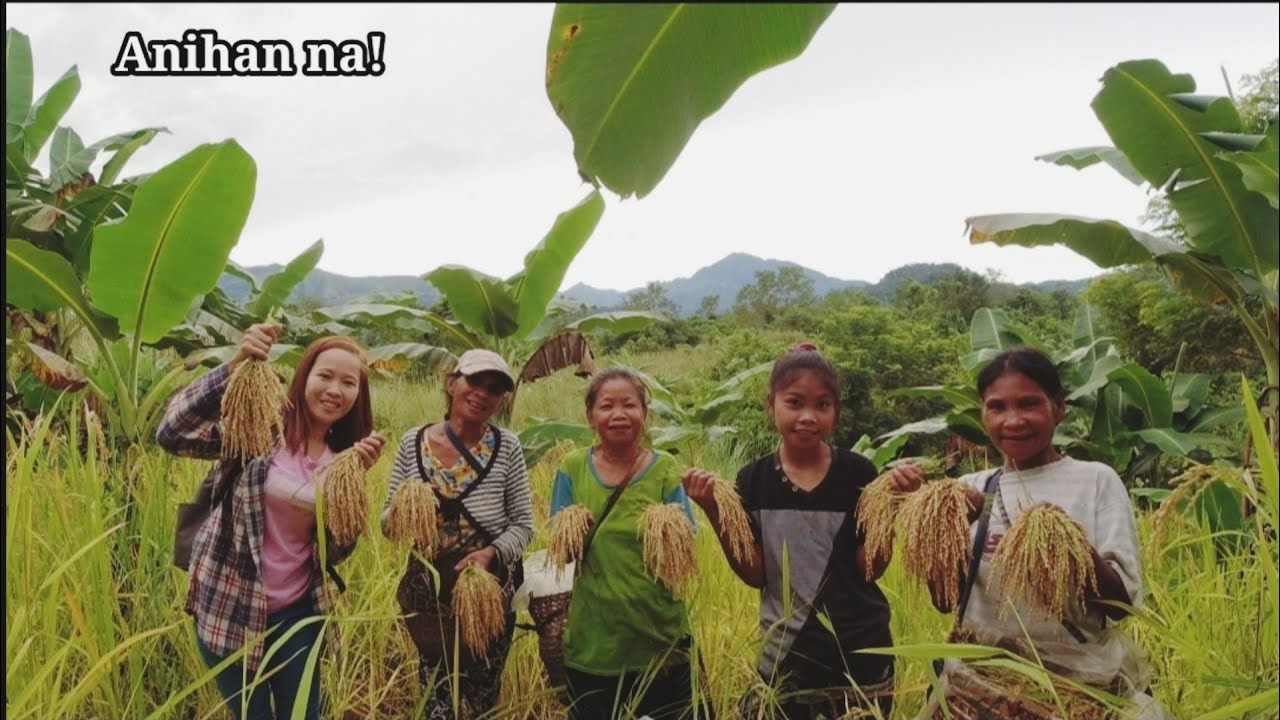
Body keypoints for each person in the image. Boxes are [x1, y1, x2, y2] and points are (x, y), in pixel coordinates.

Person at [157, 324, 387, 720]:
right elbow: (172, 433)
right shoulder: (258, 433)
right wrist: (233, 367)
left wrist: (353, 482)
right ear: (304, 379)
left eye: (348, 382)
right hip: (229, 605)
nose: (335, 389)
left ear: (358, 396)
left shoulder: (342, 459)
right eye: (325, 375)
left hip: (298, 611)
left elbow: (337, 551)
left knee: (303, 714)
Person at [920, 347, 1164, 719]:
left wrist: (1069, 545)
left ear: (1059, 407)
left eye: (1029, 404)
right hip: (979, 688)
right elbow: (944, 601)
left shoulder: (1095, 481)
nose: (1013, 420)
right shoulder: (973, 488)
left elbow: (1122, 603)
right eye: (997, 407)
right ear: (982, 413)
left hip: (1079, 687)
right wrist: (949, 527)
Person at [684, 344, 922, 719]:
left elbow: (870, 569)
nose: (808, 417)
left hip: (860, 653)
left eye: (822, 405)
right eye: (794, 403)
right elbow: (756, 573)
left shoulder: (859, 474)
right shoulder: (754, 479)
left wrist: (890, 505)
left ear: (836, 412)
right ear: (771, 405)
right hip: (786, 653)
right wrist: (713, 510)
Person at [381, 348, 534, 720]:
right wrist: (411, 506)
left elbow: (524, 526)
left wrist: (490, 555)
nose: (483, 393)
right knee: (437, 691)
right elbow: (387, 525)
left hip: (490, 588)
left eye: (495, 389)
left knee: (482, 692)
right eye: (475, 381)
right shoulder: (412, 442)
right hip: (432, 590)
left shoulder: (507, 447)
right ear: (452, 384)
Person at [548, 368, 710, 720]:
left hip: (661, 640)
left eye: (630, 405)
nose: (619, 414)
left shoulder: (665, 468)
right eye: (607, 406)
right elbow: (559, 553)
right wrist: (574, 531)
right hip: (594, 645)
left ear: (644, 414)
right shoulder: (572, 468)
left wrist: (666, 531)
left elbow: (683, 552)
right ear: (590, 416)